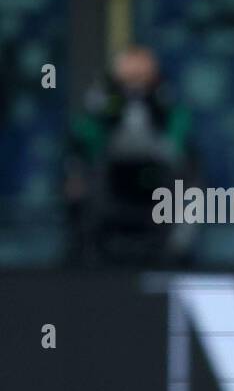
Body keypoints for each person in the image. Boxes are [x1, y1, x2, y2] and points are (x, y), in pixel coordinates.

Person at [65, 45, 197, 266]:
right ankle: (85, 253)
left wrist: (156, 108)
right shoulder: (104, 103)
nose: (135, 83)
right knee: (78, 177)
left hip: (158, 178)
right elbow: (85, 137)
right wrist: (108, 108)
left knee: (190, 179)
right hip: (110, 176)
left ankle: (176, 252)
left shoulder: (168, 105)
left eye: (141, 75)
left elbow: (178, 144)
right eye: (129, 76)